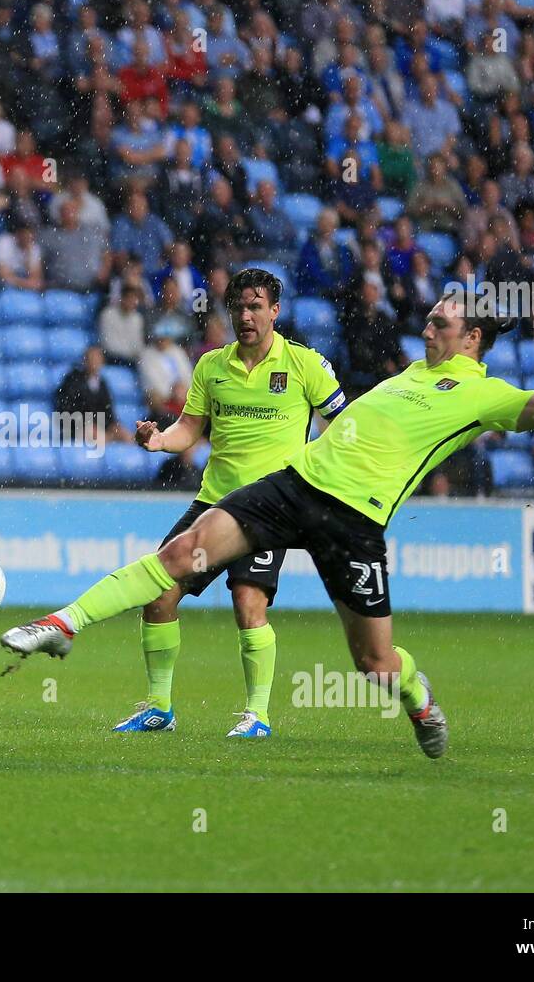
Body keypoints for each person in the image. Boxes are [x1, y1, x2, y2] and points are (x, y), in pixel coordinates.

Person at [1, 293, 534, 760]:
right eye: (429, 320)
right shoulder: (412, 371)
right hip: (296, 482)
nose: (427, 328)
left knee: (374, 663)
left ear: (473, 338)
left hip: (354, 522)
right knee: (182, 553)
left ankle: (416, 693)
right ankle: (64, 623)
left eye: (442, 324)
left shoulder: (490, 395)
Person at [114, 269, 346, 737]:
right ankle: (159, 706)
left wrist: (320, 474)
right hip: (213, 503)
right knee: (158, 596)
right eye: (238, 307)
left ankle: (257, 715)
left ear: (274, 311)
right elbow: (189, 429)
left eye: (256, 306)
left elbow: (345, 426)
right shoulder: (211, 366)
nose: (246, 315)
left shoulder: (305, 365)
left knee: (247, 602)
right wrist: (159, 440)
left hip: (269, 509)